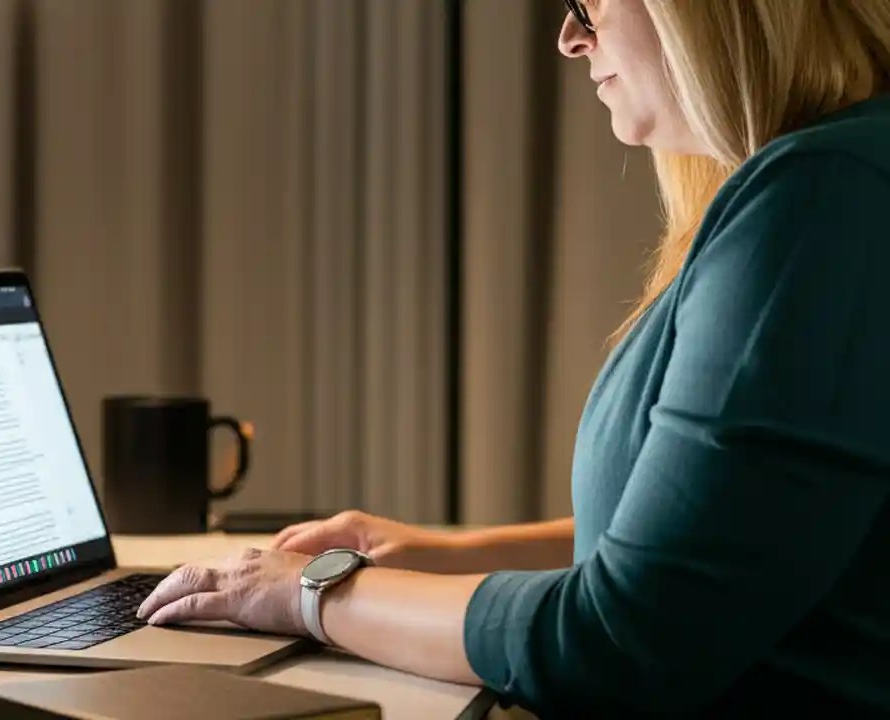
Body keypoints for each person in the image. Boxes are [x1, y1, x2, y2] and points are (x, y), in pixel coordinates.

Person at [138, 2, 890, 716]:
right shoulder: (837, 177)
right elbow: (722, 539)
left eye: (588, 3)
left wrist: (314, 595)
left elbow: (626, 638)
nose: (569, 36)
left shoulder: (822, 198)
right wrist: (435, 554)